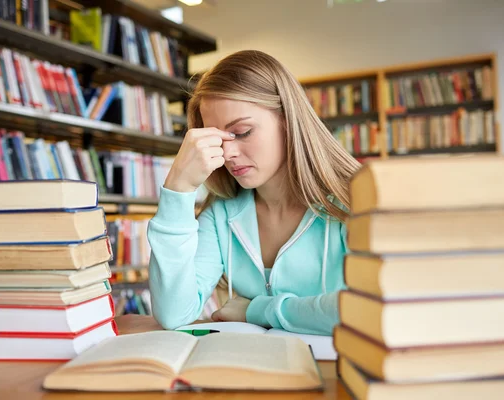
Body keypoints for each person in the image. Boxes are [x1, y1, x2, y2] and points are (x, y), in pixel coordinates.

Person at [146, 49, 361, 336]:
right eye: (217, 139)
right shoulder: (221, 215)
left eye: (242, 131)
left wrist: (256, 310)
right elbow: (173, 314)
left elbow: (363, 309)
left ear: (287, 119)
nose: (228, 152)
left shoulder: (355, 204)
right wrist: (177, 189)